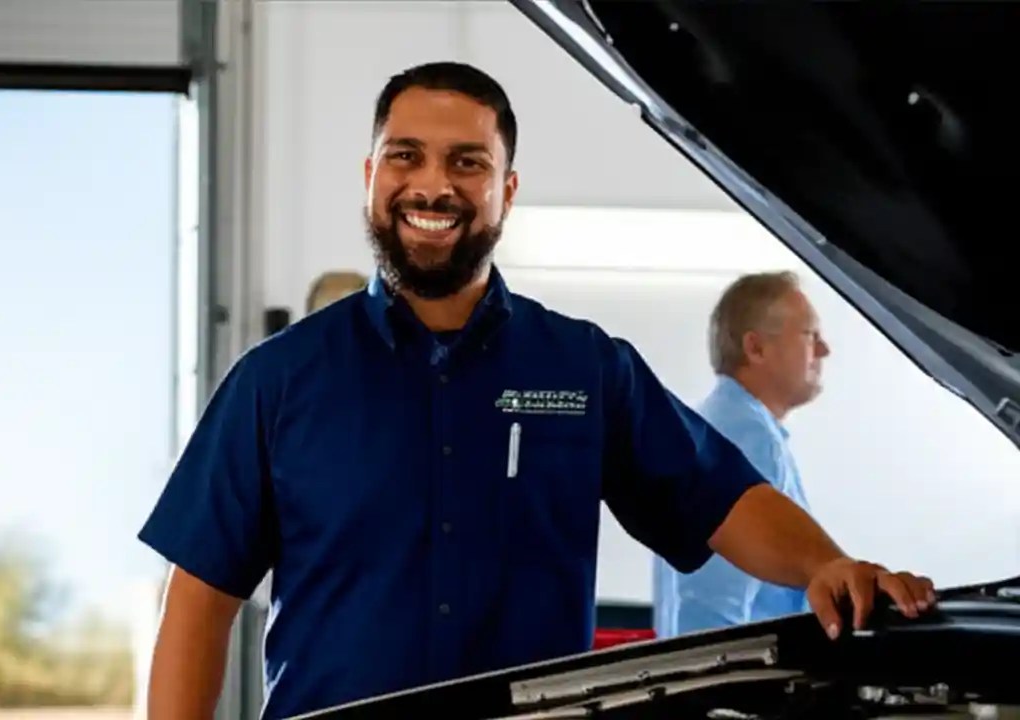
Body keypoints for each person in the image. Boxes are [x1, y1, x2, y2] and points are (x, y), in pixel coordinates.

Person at [137, 61, 936, 720]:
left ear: (506, 189)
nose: (433, 186)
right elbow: (199, 602)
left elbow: (720, 498)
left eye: (468, 162)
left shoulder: (584, 369)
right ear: (371, 174)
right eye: (406, 156)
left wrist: (825, 563)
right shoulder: (278, 381)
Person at [653, 271, 829, 638]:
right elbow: (713, 609)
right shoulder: (747, 438)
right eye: (810, 335)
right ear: (756, 348)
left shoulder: (710, 424)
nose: (824, 350)